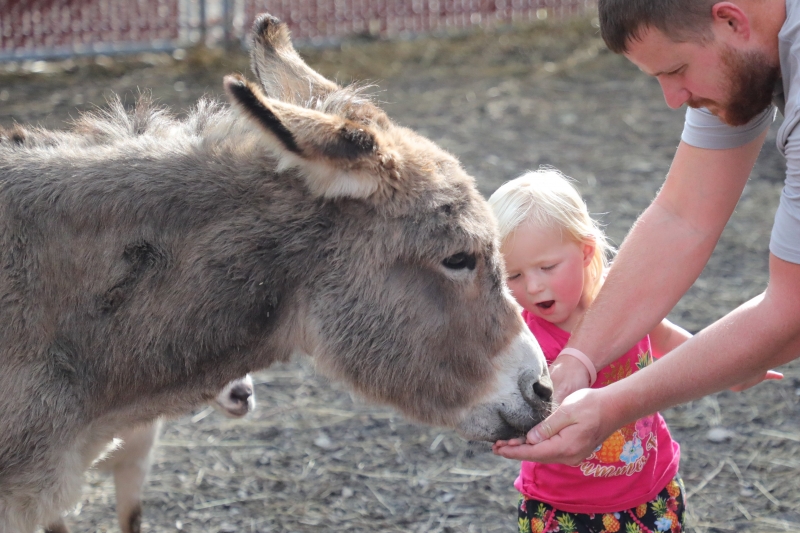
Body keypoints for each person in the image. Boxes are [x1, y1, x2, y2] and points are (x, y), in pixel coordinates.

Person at [492, 0, 792, 467]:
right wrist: (578, 361)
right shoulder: (737, 62)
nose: (673, 99)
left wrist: (613, 405)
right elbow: (682, 216)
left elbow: (791, 309)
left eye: (676, 69)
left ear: (731, 19)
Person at [489, 169, 691, 533]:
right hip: (564, 508)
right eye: (513, 276)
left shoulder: (624, 302)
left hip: (651, 491)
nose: (533, 286)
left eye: (547, 267)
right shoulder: (523, 346)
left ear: (585, 251)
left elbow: (666, 340)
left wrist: (731, 365)